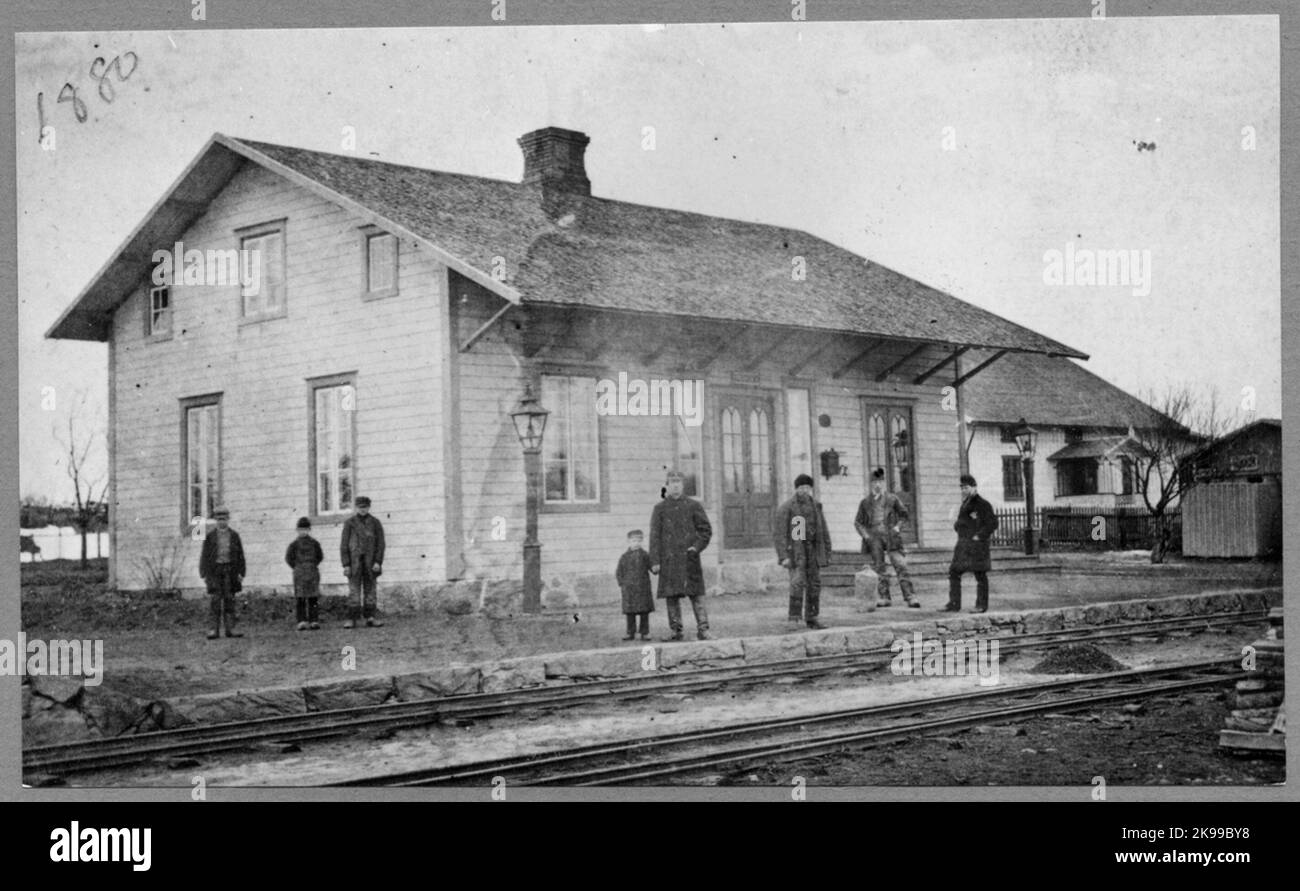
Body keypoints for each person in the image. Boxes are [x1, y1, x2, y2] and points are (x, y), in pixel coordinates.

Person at [649, 470, 714, 641]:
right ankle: (676, 631)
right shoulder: (660, 509)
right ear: (667, 485)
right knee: (671, 597)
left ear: (683, 485)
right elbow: (654, 536)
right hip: (669, 560)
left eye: (678, 481)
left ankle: (703, 629)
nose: (676, 485)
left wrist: (696, 548)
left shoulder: (693, 506)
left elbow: (705, 530)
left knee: (697, 594)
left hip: (689, 558)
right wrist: (655, 561)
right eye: (672, 482)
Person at [774, 473, 832, 629]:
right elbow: (780, 535)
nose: (804, 491)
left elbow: (824, 531)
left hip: (813, 550)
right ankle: (793, 618)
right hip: (797, 551)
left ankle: (812, 617)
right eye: (801, 488)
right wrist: (783, 556)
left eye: (807, 487)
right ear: (796, 489)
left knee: (814, 584)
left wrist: (827, 552)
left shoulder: (816, 506)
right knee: (797, 582)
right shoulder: (788, 508)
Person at [855, 467, 918, 608]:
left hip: (891, 537)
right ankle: (884, 597)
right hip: (874, 538)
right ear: (870, 484)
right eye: (875, 482)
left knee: (901, 565)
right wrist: (866, 536)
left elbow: (904, 514)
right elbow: (858, 522)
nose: (878, 485)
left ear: (884, 483)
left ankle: (910, 596)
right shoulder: (865, 502)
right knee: (879, 568)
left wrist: (897, 527)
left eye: (880, 481)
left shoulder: (892, 499)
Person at [947, 474, 998, 613]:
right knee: (954, 572)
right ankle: (954, 604)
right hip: (963, 544)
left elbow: (992, 523)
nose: (963, 490)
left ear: (974, 487)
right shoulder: (966, 503)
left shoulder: (982, 504)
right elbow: (961, 521)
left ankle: (981, 605)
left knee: (980, 575)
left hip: (977, 546)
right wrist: (957, 526)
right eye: (962, 488)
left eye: (966, 487)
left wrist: (979, 536)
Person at [198, 506, 245, 640]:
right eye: (219, 519)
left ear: (228, 520)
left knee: (230, 600)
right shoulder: (210, 537)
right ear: (215, 521)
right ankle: (214, 629)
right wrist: (204, 573)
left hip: (230, 571)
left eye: (224, 519)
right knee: (215, 601)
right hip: (215, 572)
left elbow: (240, 555)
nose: (221, 522)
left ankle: (231, 629)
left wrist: (241, 572)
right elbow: (205, 556)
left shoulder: (234, 536)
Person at [340, 495, 386, 628]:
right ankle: (352, 619)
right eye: (360, 507)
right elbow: (344, 545)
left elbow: (381, 544)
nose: (363, 510)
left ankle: (370, 617)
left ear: (369, 507)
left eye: (365, 507)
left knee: (370, 590)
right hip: (354, 563)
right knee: (354, 591)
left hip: (370, 562)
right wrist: (346, 564)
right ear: (356, 508)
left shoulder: (375, 523)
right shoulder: (350, 523)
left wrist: (378, 561)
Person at [285, 516, 324, 631]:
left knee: (313, 597)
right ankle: (301, 621)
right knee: (300, 597)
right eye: (301, 529)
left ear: (309, 530)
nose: (303, 532)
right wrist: (297, 567)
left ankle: (314, 620)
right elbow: (289, 558)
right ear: (297, 530)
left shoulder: (315, 543)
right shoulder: (294, 545)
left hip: (312, 572)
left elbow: (319, 557)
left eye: (306, 529)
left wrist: (311, 565)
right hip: (299, 573)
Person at [616, 529, 655, 641]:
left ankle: (645, 632)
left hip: (643, 588)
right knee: (630, 612)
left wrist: (655, 567)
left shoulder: (645, 555)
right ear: (629, 541)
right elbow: (619, 572)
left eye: (639, 540)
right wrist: (622, 584)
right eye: (634, 540)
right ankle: (630, 632)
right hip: (629, 589)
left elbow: (652, 568)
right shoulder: (624, 557)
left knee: (644, 611)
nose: (636, 543)